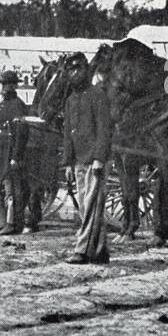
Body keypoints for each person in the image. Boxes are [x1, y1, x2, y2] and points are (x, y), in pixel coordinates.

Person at [61, 54, 113, 264]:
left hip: (94, 161)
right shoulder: (70, 100)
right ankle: (100, 251)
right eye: (71, 70)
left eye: (78, 69)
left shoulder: (97, 95)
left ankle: (82, 250)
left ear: (86, 70)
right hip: (78, 161)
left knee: (90, 205)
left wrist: (99, 158)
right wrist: (68, 161)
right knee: (85, 206)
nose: (75, 73)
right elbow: (67, 133)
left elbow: (104, 129)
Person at [0, 71, 31, 236]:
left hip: (10, 152)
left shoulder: (18, 105)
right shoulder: (1, 104)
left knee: (10, 190)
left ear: (14, 86)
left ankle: (11, 224)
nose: (5, 88)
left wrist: (15, 157)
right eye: (3, 85)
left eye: (8, 84)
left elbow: (21, 133)